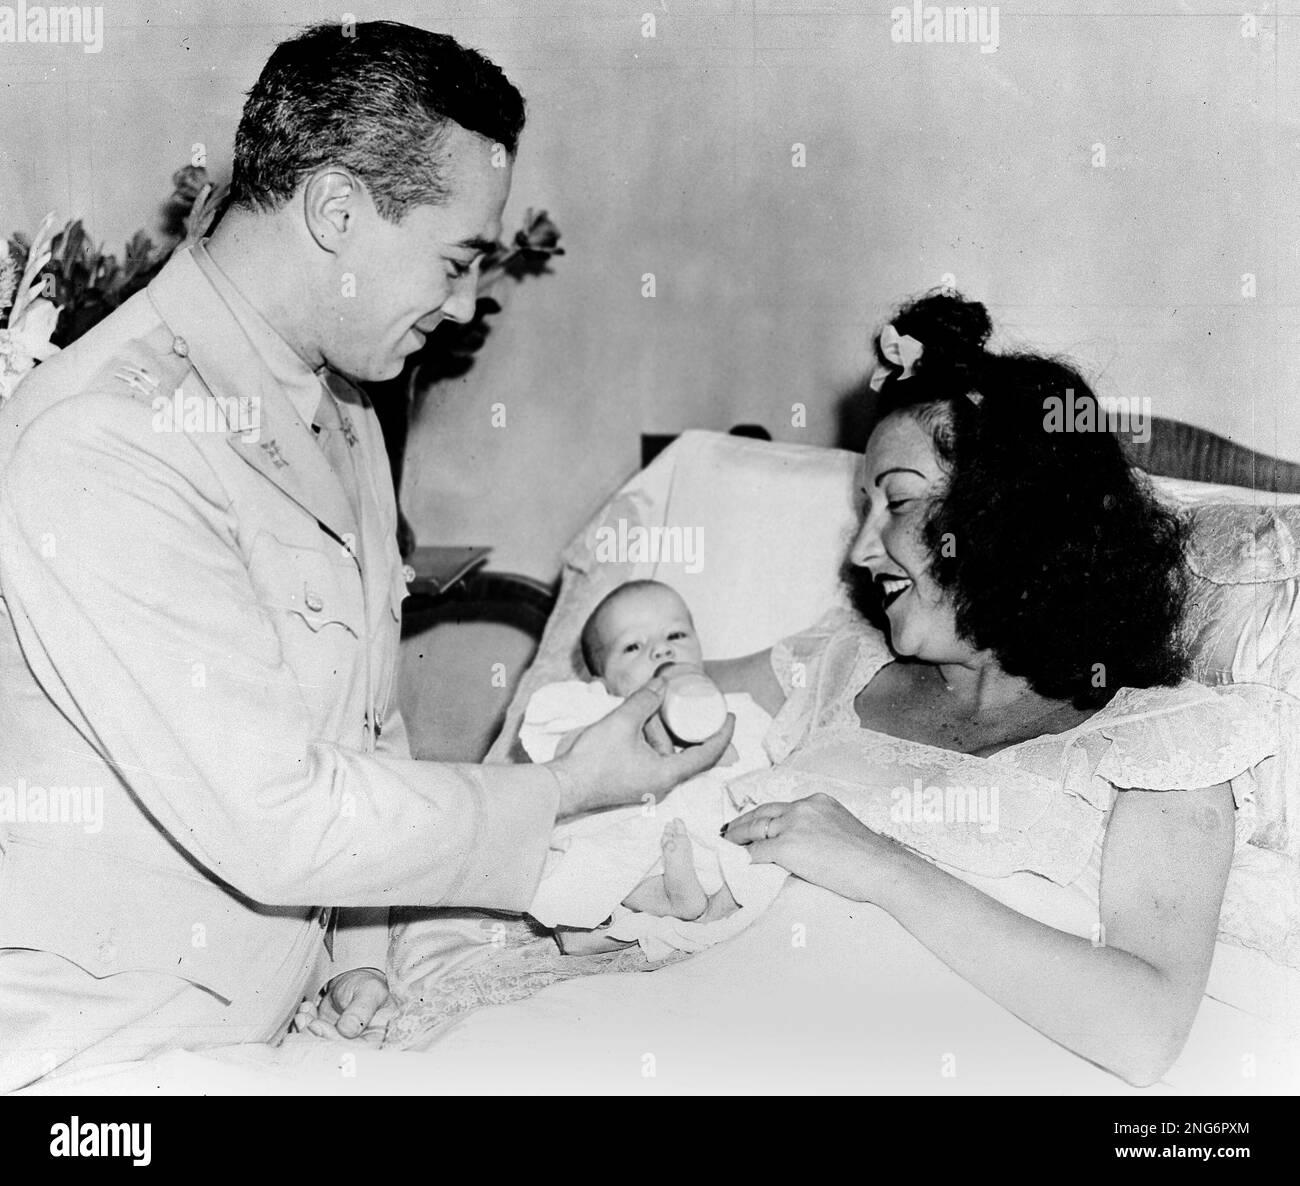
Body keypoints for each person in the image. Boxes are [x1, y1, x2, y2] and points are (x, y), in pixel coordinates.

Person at [0, 20, 731, 1092]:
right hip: (105, 1053)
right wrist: (571, 786)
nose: (472, 300)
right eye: (456, 259)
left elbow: (365, 719)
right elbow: (277, 814)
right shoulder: (106, 435)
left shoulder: (342, 411)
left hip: (271, 1020)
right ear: (336, 210)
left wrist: (357, 957)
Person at [715, 290, 1281, 1087]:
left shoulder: (1160, 741)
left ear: (1009, 517)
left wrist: (880, 867)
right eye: (863, 508)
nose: (860, 551)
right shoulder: (839, 665)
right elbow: (658, 711)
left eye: (898, 502)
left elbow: (1144, 1028)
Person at [519, 580, 784, 960]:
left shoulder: (734, 709)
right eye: (633, 647)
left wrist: (716, 739)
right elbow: (556, 747)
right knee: (581, 869)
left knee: (748, 863)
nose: (661, 649)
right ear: (603, 678)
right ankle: (668, 903)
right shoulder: (595, 707)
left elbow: (762, 767)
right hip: (623, 832)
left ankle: (685, 901)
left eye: (676, 634)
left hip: (701, 837)